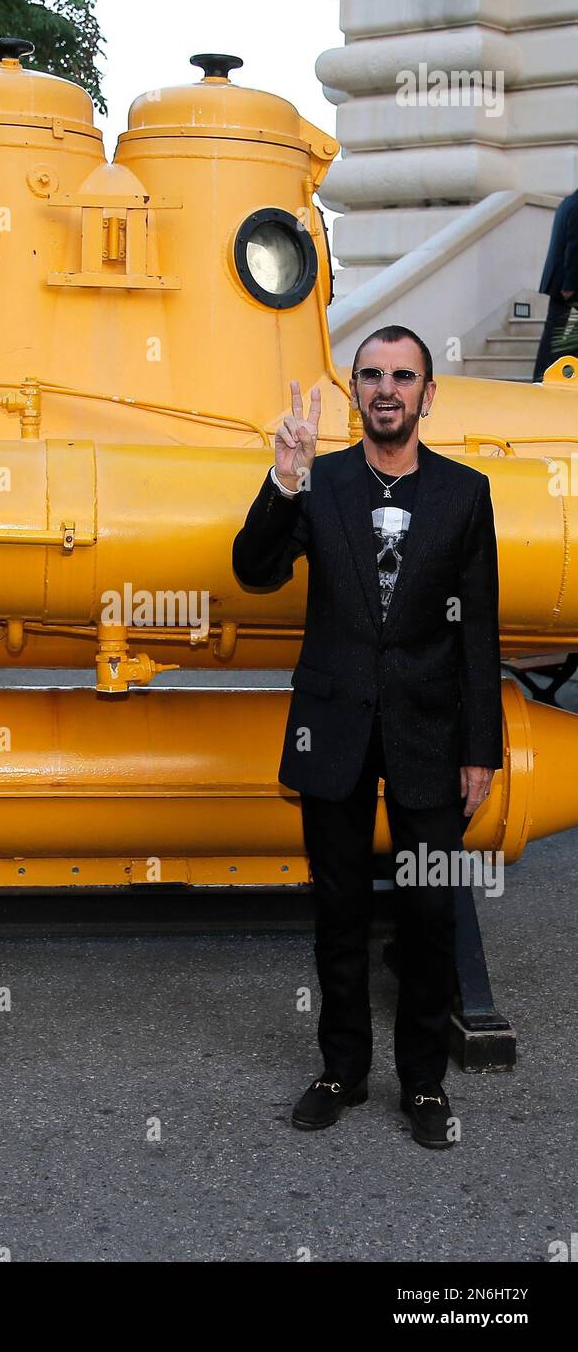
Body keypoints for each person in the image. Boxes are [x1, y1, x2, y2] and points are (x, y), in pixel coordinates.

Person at [232, 325, 503, 1150]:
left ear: (427, 394)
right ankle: (340, 1071)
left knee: (426, 917)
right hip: (333, 729)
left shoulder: (464, 493)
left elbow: (476, 633)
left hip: (430, 734)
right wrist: (282, 481)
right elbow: (253, 570)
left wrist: (481, 747)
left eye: (403, 376)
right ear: (354, 391)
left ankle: (423, 1084)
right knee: (339, 911)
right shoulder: (319, 481)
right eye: (371, 375)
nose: (386, 388)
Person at [533, 187, 578, 381]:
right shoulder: (576, 206)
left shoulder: (568, 202)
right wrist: (569, 286)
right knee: (555, 331)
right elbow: (574, 249)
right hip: (567, 283)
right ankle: (547, 374)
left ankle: (542, 376)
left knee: (553, 329)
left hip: (557, 279)